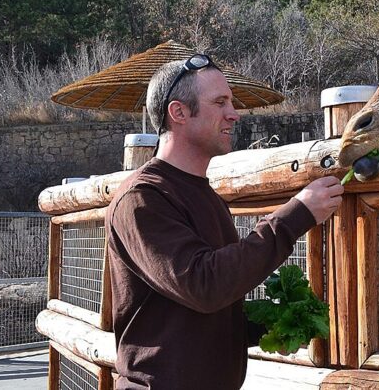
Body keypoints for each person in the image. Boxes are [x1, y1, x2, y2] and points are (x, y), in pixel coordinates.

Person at [105, 55, 343, 389]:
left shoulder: (208, 196)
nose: (234, 113)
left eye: (231, 102)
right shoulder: (142, 198)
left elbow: (197, 313)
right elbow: (205, 286)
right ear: (179, 113)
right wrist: (297, 214)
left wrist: (272, 321)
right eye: (220, 102)